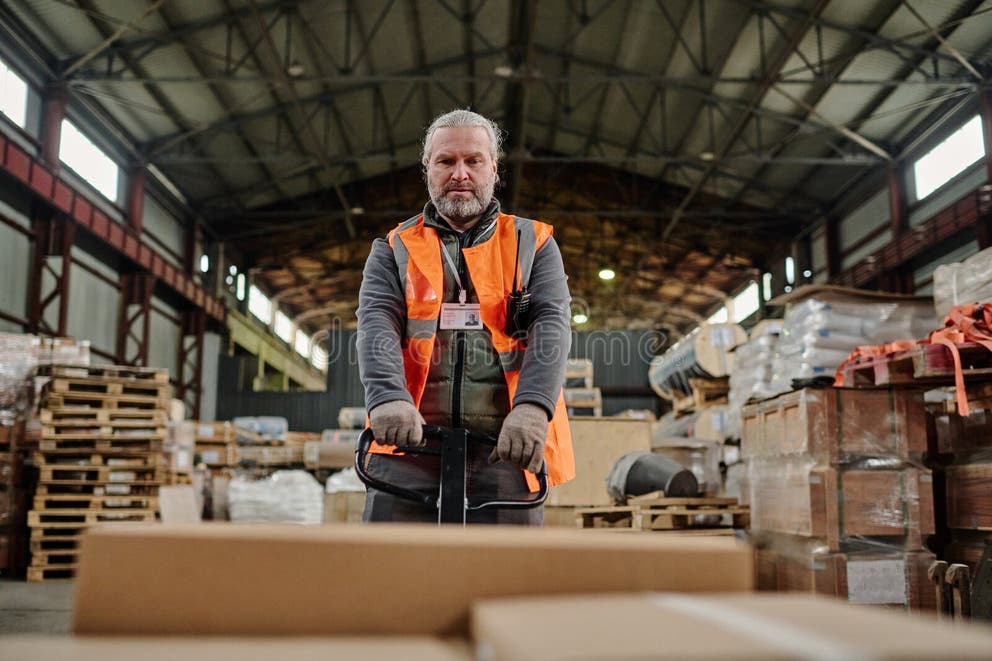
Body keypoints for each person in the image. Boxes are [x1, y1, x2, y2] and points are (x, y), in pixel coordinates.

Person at [356, 109, 575, 524]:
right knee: (391, 564)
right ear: (427, 169)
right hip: (408, 447)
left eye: (473, 160)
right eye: (446, 161)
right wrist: (387, 398)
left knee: (505, 566)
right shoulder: (394, 248)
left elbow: (551, 325)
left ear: (494, 168)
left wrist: (533, 408)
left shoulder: (533, 243)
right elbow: (376, 324)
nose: (460, 174)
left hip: (506, 447)